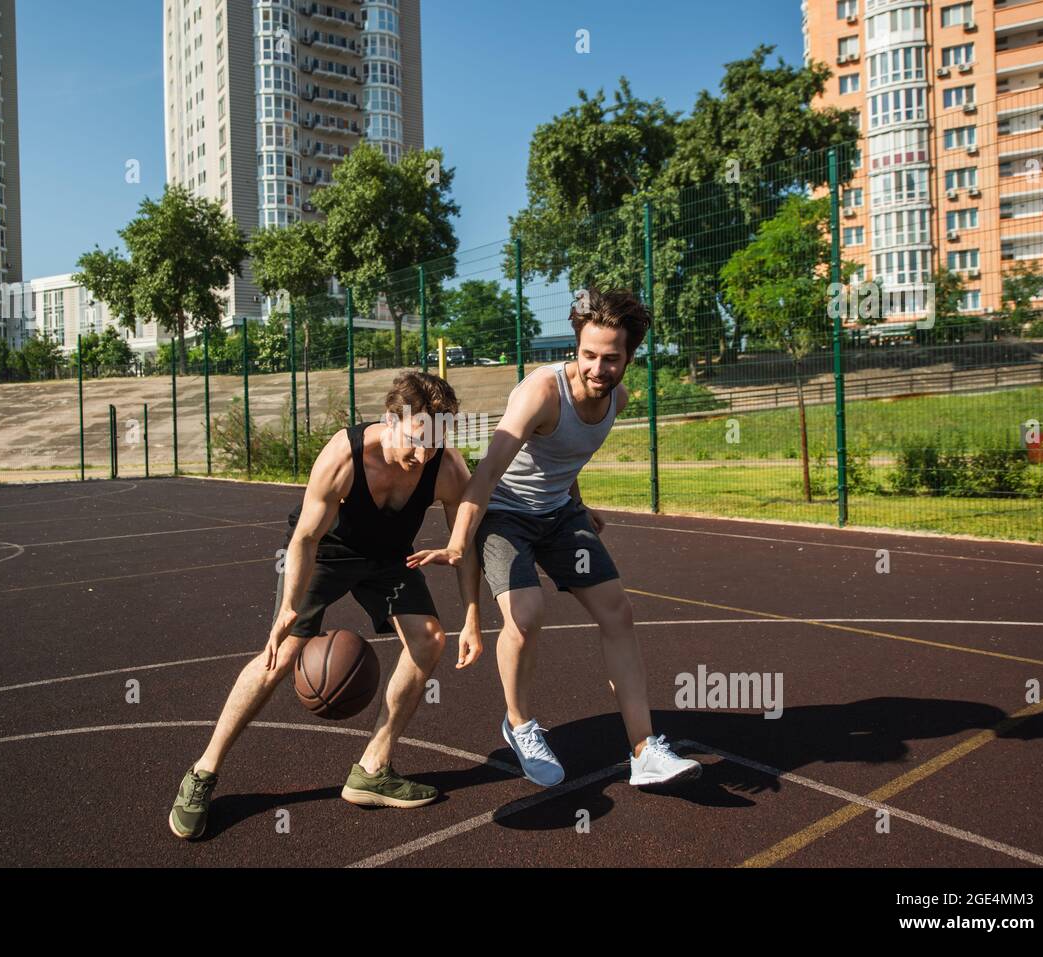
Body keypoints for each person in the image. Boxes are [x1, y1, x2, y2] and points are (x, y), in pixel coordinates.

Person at [169, 372, 484, 839]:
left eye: (435, 445)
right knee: (281, 655)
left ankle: (373, 768)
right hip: (328, 552)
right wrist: (288, 610)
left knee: (430, 638)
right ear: (389, 421)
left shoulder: (447, 467)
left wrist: (474, 616)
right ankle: (203, 771)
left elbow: (465, 546)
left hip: (388, 557)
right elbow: (306, 538)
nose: (424, 456)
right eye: (416, 442)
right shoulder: (345, 455)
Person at [408, 290, 701, 789]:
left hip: (560, 516)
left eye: (611, 358)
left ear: (630, 357)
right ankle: (519, 725)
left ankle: (644, 750)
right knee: (526, 615)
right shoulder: (540, 393)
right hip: (504, 514)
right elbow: (485, 476)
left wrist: (578, 504)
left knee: (618, 611)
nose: (598, 368)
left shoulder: (618, 400)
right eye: (588, 355)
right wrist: (460, 542)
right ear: (576, 348)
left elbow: (567, 457)